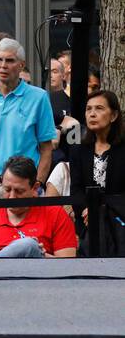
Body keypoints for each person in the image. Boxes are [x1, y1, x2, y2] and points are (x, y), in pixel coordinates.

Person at [0, 38, 56, 220]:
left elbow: (46, 149)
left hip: (21, 187)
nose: (2, 65)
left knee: (19, 244)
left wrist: (37, 184)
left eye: (9, 60)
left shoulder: (39, 97)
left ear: (21, 65)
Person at [0, 156, 77, 258]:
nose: (12, 197)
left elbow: (67, 268)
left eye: (19, 191)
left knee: (29, 246)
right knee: (29, 245)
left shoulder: (56, 215)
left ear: (35, 188)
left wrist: (39, 254)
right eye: (7, 190)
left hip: (39, 278)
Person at [68, 89, 125, 256]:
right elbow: (76, 189)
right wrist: (87, 210)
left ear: (113, 116)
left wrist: (100, 210)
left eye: (99, 108)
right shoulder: (78, 150)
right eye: (88, 109)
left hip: (119, 218)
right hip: (87, 220)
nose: (92, 114)